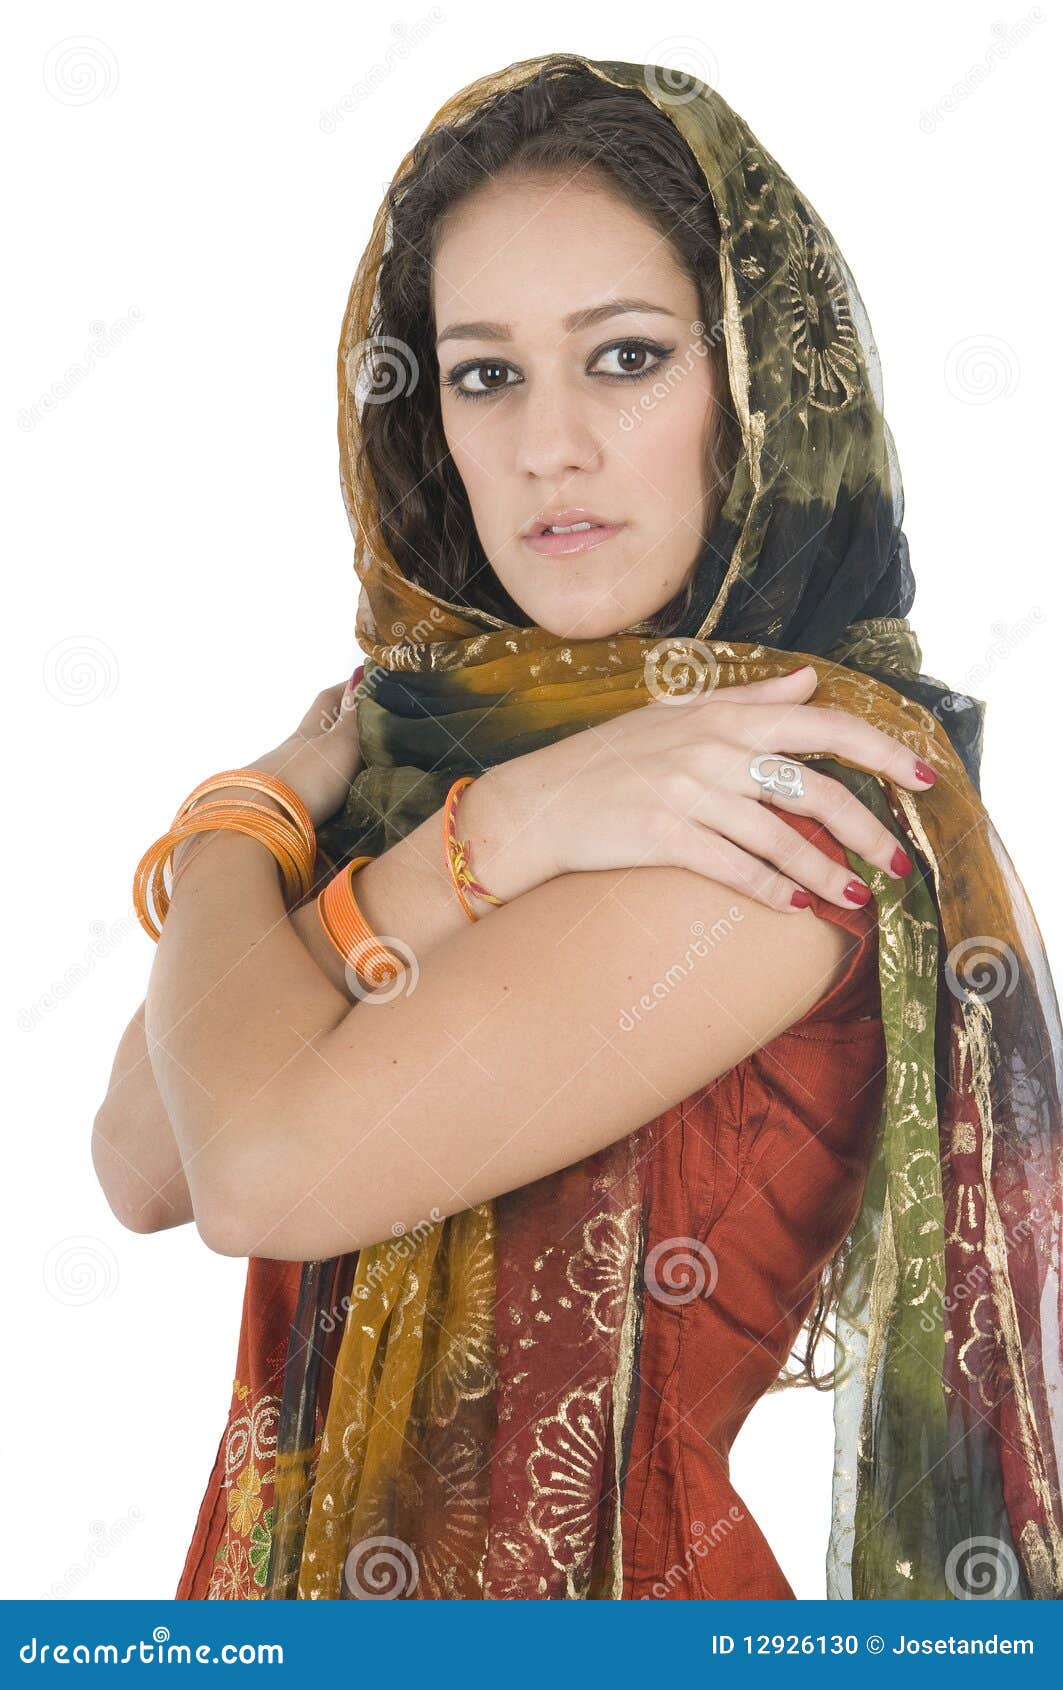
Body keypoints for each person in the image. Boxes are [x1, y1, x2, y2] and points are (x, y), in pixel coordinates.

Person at [92, 53, 1063, 1602]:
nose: (549, 444)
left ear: (756, 392)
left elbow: (260, 1164)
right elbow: (142, 1154)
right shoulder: (456, 752)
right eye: (485, 373)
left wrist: (242, 822)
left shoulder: (793, 792)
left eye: (623, 358)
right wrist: (483, 831)